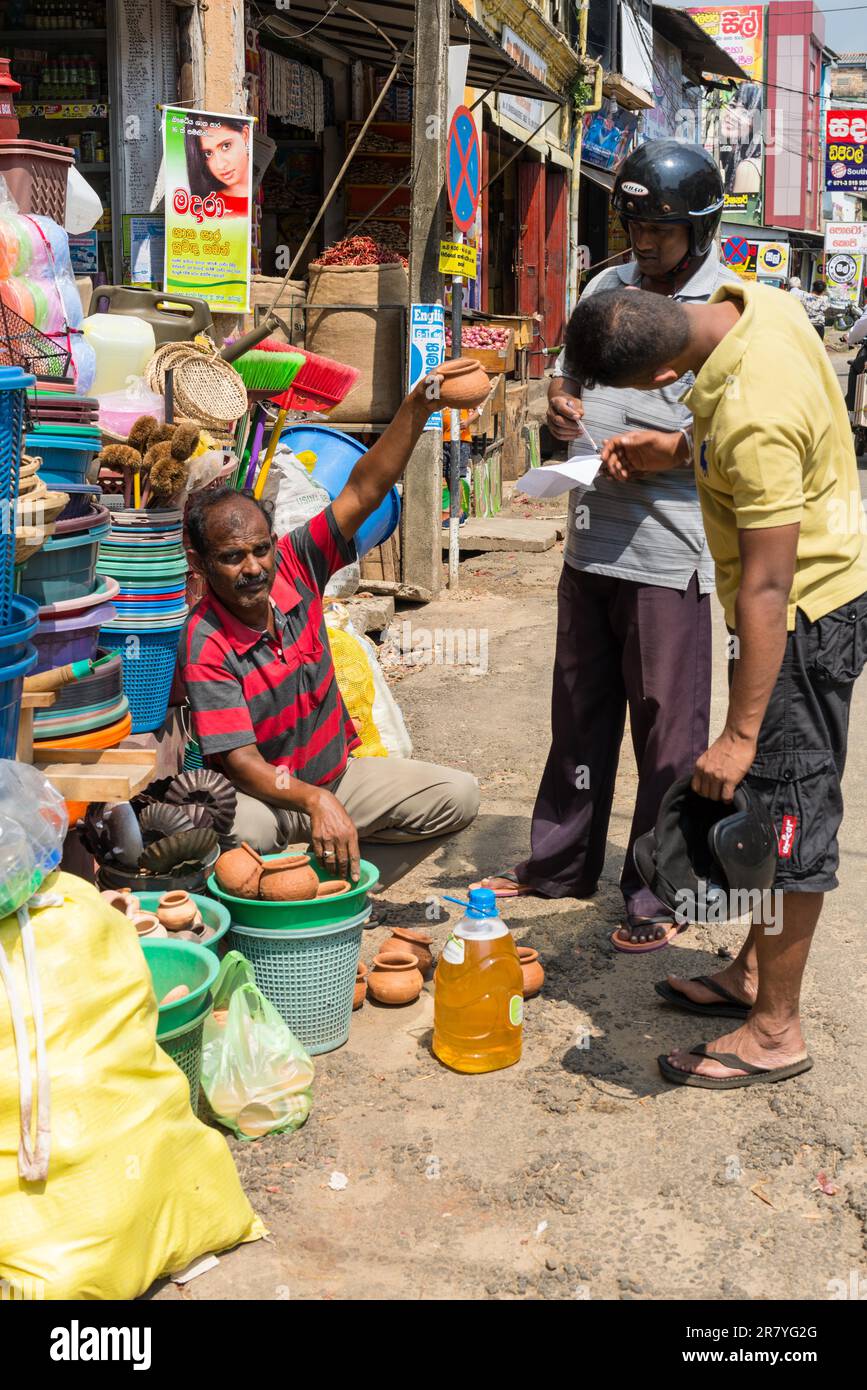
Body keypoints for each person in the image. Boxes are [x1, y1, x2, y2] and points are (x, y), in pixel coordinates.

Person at [565, 279, 867, 1088]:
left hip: (803, 615)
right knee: (771, 802)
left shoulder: (752, 419)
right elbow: (737, 421)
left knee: (789, 825)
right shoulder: (751, 302)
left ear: (662, 379)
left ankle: (775, 1031)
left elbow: (767, 588)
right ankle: (748, 976)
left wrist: (736, 732)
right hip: (800, 602)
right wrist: (671, 449)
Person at [475, 140, 738, 952]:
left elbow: (746, 434)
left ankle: (657, 894)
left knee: (668, 733)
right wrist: (559, 405)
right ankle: (557, 865)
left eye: (660, 227)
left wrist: (672, 451)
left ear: (699, 227)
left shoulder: (727, 309)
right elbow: (569, 372)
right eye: (633, 223)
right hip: (589, 542)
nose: (644, 241)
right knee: (578, 716)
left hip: (672, 553)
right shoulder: (605, 286)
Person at [178, 381, 481, 891]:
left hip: (336, 776)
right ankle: (274, 893)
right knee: (240, 833)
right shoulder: (204, 640)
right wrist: (314, 801)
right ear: (201, 564)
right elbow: (243, 763)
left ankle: (328, 890)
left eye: (260, 550)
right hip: (266, 797)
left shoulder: (297, 564)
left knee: (459, 794)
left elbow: (365, 489)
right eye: (232, 557)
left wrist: (417, 403)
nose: (253, 568)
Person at [185, 116, 251, 214]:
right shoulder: (208, 211)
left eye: (226, 146)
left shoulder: (257, 187)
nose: (220, 165)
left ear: (244, 135)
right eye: (208, 154)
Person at [788, 275, 828, 340]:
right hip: (819, 325)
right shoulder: (825, 299)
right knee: (818, 347)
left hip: (807, 325)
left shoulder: (805, 296)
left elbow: (795, 297)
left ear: (813, 288)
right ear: (823, 290)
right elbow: (825, 309)